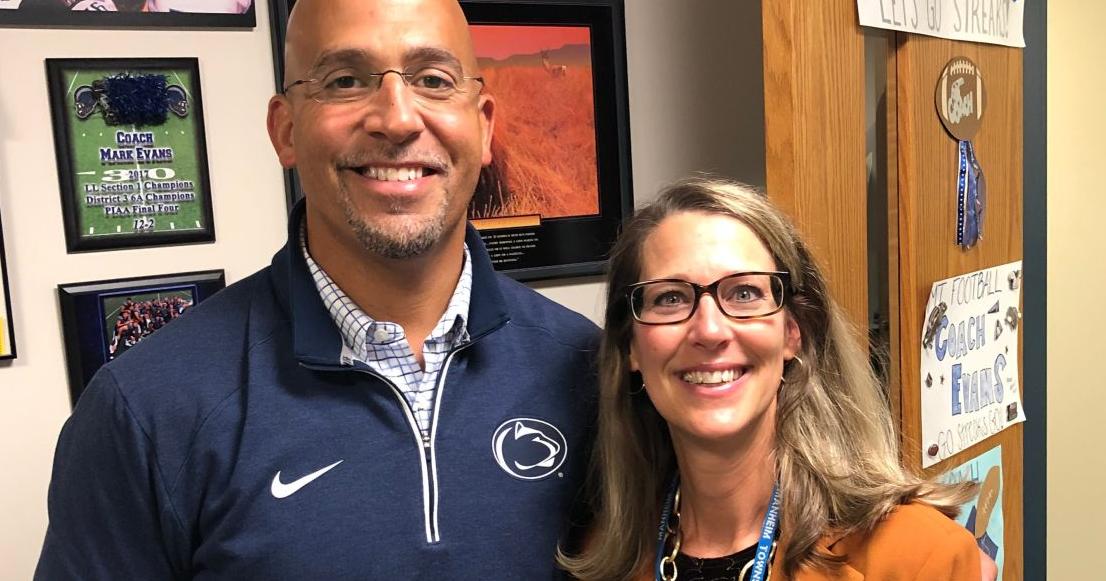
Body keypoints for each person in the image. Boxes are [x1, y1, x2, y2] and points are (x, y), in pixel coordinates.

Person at [35, 0, 598, 578]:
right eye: (346, 80)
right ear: (285, 130)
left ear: (483, 126)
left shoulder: (590, 370)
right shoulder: (144, 409)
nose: (398, 118)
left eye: (433, 79)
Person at [558, 177, 983, 580]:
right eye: (670, 298)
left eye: (744, 293)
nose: (710, 330)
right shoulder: (602, 558)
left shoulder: (917, 556)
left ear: (793, 333)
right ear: (631, 346)